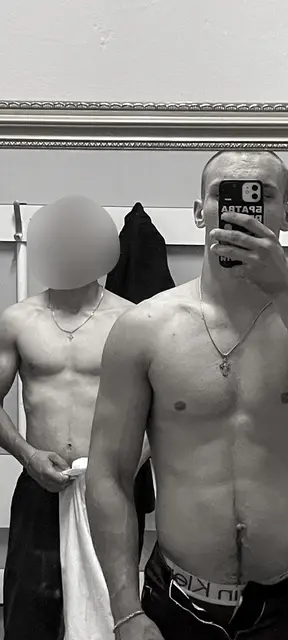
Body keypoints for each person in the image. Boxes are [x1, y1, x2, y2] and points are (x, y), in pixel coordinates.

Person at [85, 151, 288, 640]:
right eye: (222, 195)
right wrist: (125, 610)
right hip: (175, 600)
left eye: (263, 196)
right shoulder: (143, 328)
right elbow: (109, 474)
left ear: (287, 215)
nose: (240, 209)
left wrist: (287, 288)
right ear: (199, 212)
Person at [0, 196, 149, 640]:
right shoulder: (18, 321)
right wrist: (27, 455)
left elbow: (161, 413)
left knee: (111, 613)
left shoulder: (132, 320)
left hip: (111, 487)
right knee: (30, 616)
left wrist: (121, 469)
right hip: (39, 483)